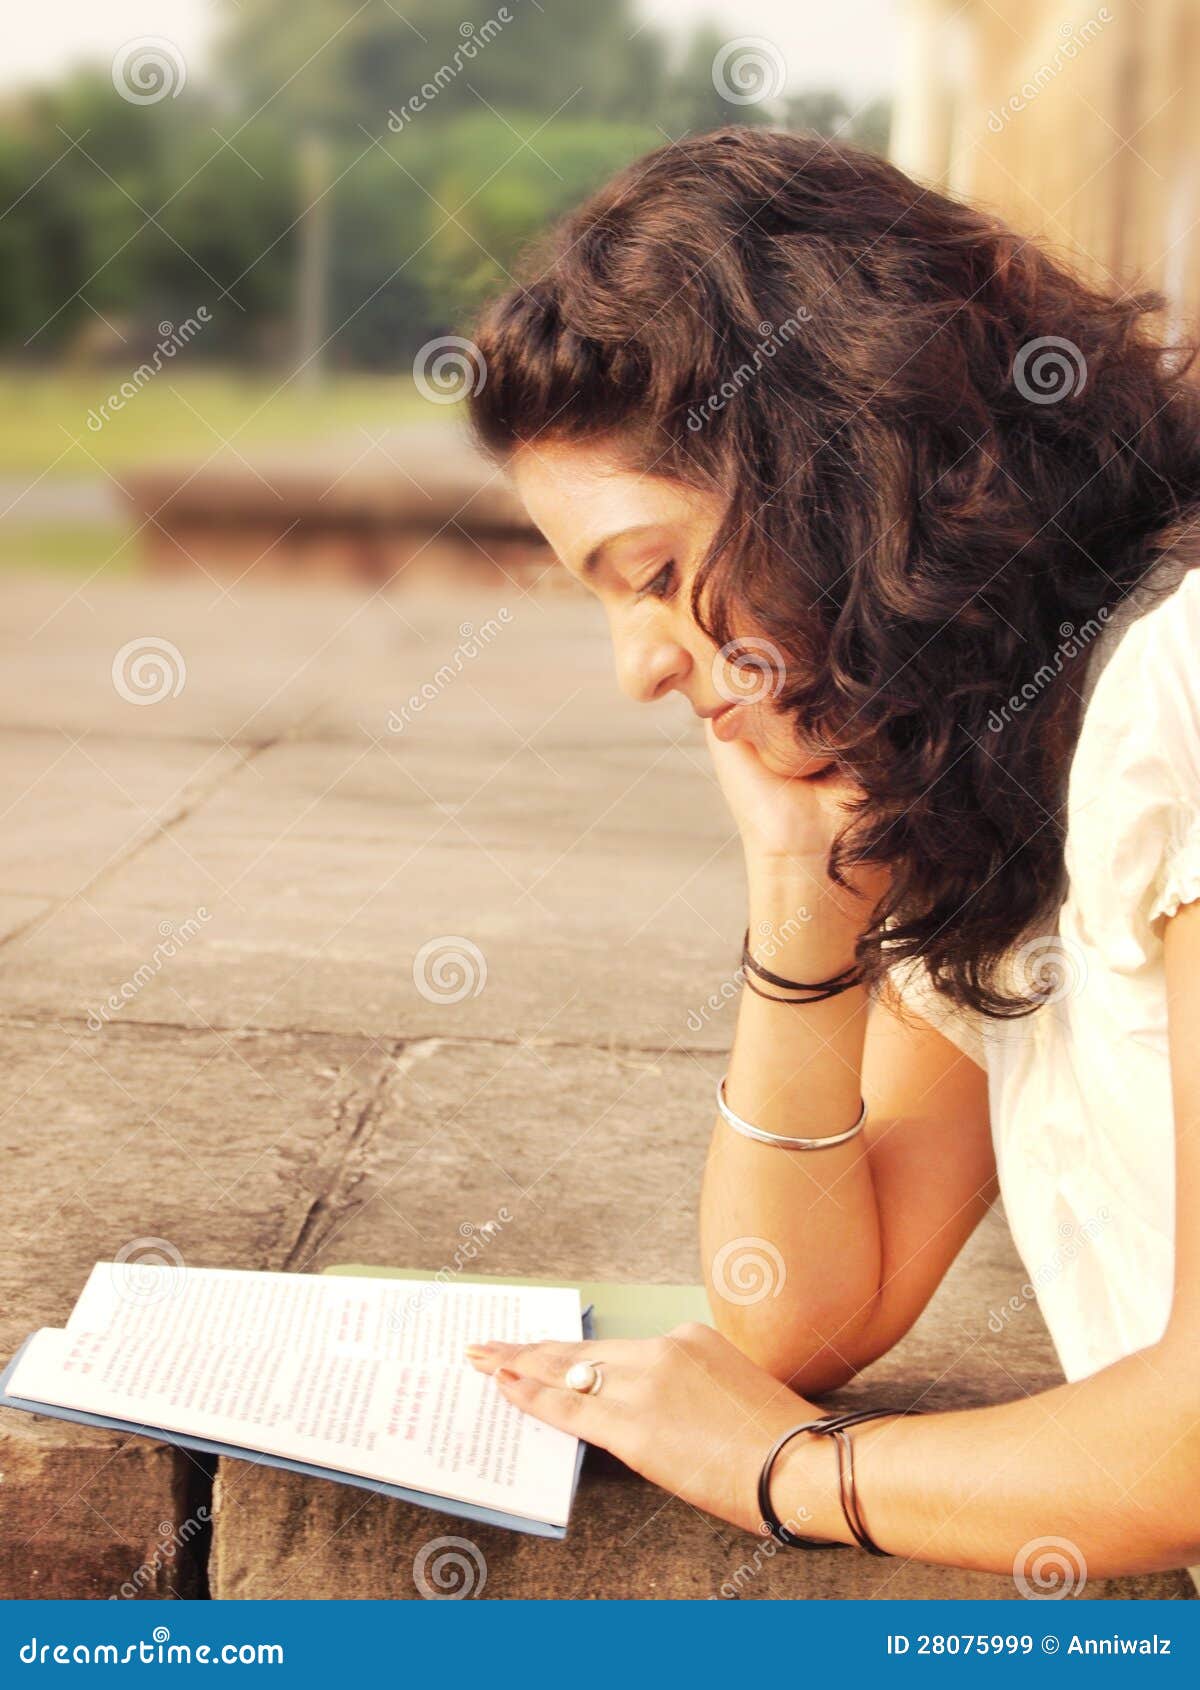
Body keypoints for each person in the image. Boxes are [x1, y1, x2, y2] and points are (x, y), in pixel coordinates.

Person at [461, 128, 1200, 1579]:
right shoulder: (1005, 762)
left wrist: (786, 1470)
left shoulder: (1177, 690)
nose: (638, 668)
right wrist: (802, 887)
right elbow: (799, 1310)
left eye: (656, 576)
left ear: (843, 466)